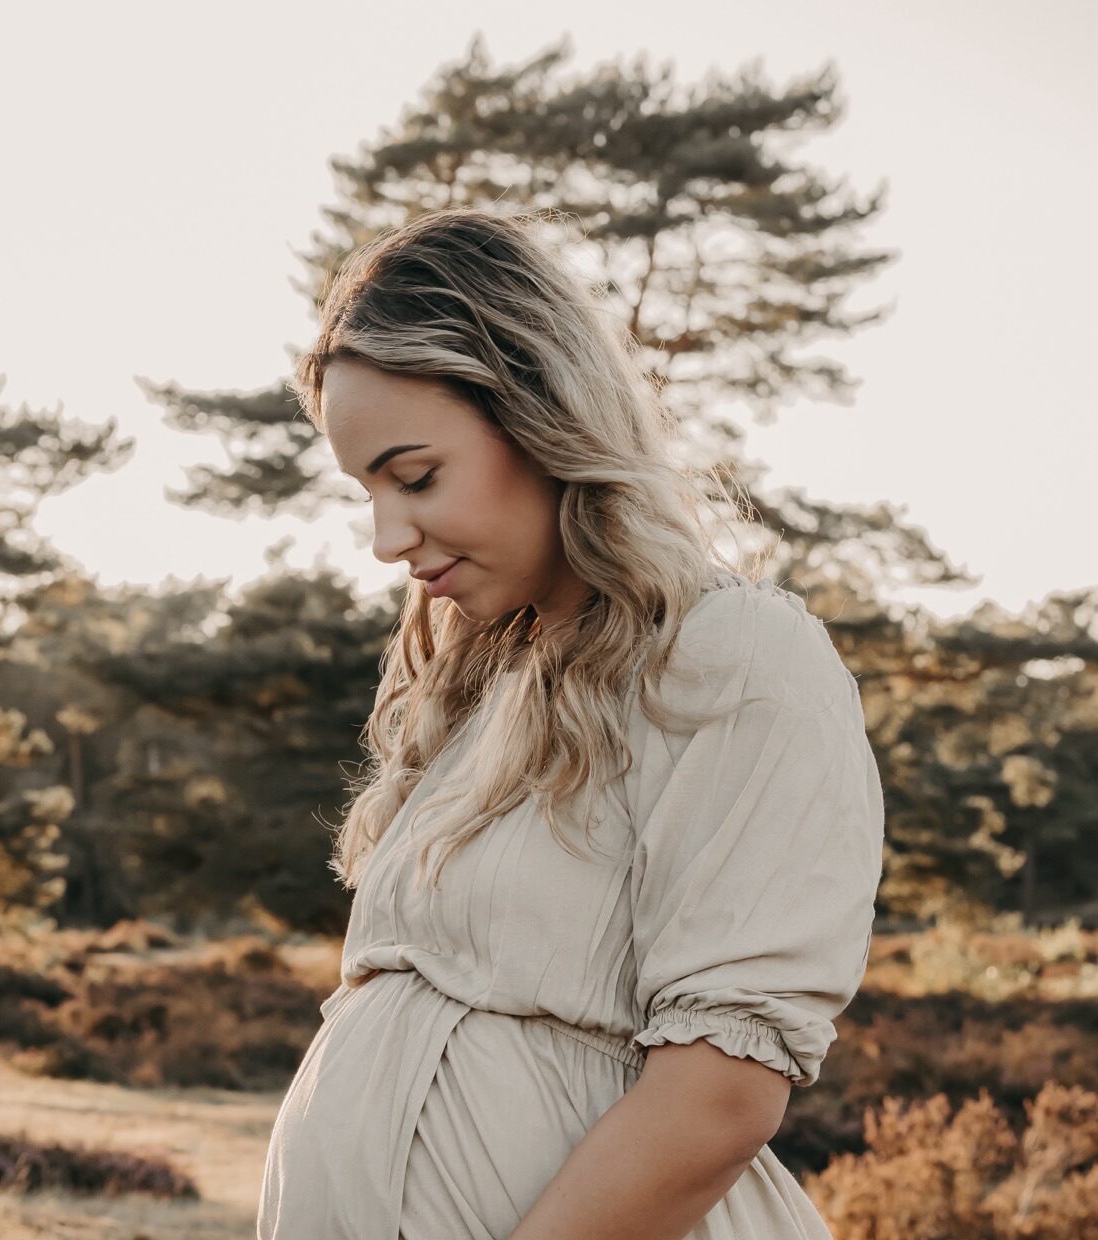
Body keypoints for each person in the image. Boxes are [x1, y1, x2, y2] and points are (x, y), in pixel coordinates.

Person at [256, 207, 885, 1240]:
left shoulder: (736, 656)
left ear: (541, 413)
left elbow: (721, 1092)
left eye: (415, 477)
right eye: (367, 490)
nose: (385, 536)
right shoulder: (482, 682)